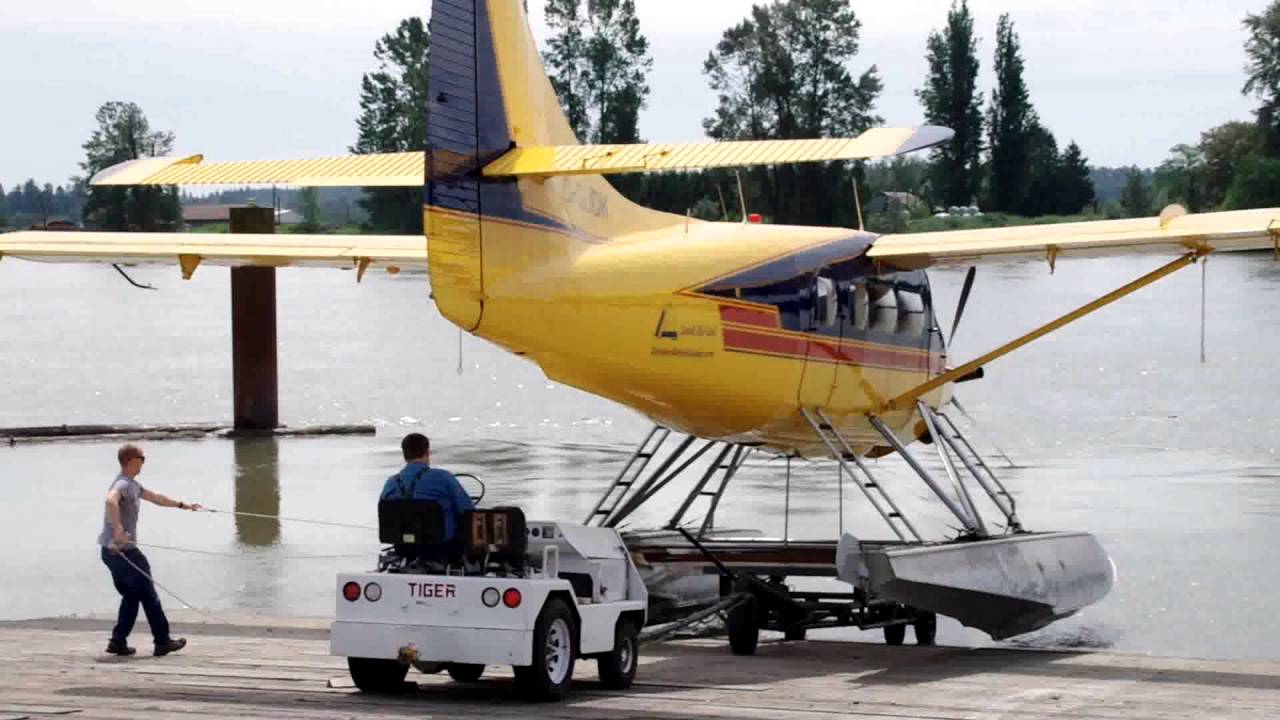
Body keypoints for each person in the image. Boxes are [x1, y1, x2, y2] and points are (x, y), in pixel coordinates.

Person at [99, 443, 203, 657]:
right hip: (123, 552)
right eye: (142, 458)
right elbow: (110, 500)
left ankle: (118, 641)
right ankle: (162, 641)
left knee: (130, 596)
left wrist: (184, 505)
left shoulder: (133, 485)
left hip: (110, 553)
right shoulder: (122, 484)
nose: (144, 462)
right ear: (132, 460)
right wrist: (118, 529)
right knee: (149, 594)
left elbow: (157, 498)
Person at [381, 433, 475, 545]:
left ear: (404, 455)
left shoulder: (390, 483)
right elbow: (468, 511)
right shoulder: (443, 477)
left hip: (402, 547)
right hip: (442, 547)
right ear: (427, 452)